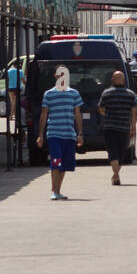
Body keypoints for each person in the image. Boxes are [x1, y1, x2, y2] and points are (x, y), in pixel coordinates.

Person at [37, 65, 83, 201]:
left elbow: (78, 115)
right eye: (60, 74)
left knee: (65, 164)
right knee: (56, 161)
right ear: (56, 76)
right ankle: (54, 190)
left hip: (69, 133)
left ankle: (57, 189)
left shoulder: (74, 93)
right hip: (54, 133)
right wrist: (40, 134)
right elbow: (43, 115)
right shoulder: (49, 94)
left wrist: (80, 133)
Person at [98, 70, 137, 185]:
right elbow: (134, 112)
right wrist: (133, 127)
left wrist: (108, 115)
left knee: (112, 151)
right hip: (124, 128)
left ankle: (115, 175)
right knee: (121, 153)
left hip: (110, 127)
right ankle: (116, 176)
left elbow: (100, 108)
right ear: (124, 80)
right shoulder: (131, 94)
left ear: (112, 80)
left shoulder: (106, 93)